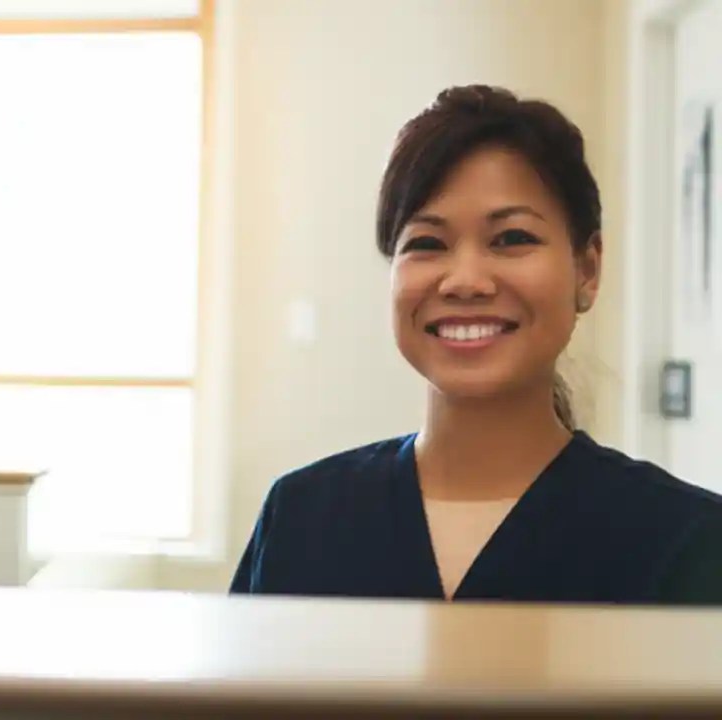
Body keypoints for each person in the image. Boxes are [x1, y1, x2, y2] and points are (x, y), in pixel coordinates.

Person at [230, 85, 722, 604]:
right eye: (426, 243)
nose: (465, 280)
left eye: (512, 239)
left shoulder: (687, 541)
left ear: (587, 269)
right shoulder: (302, 517)